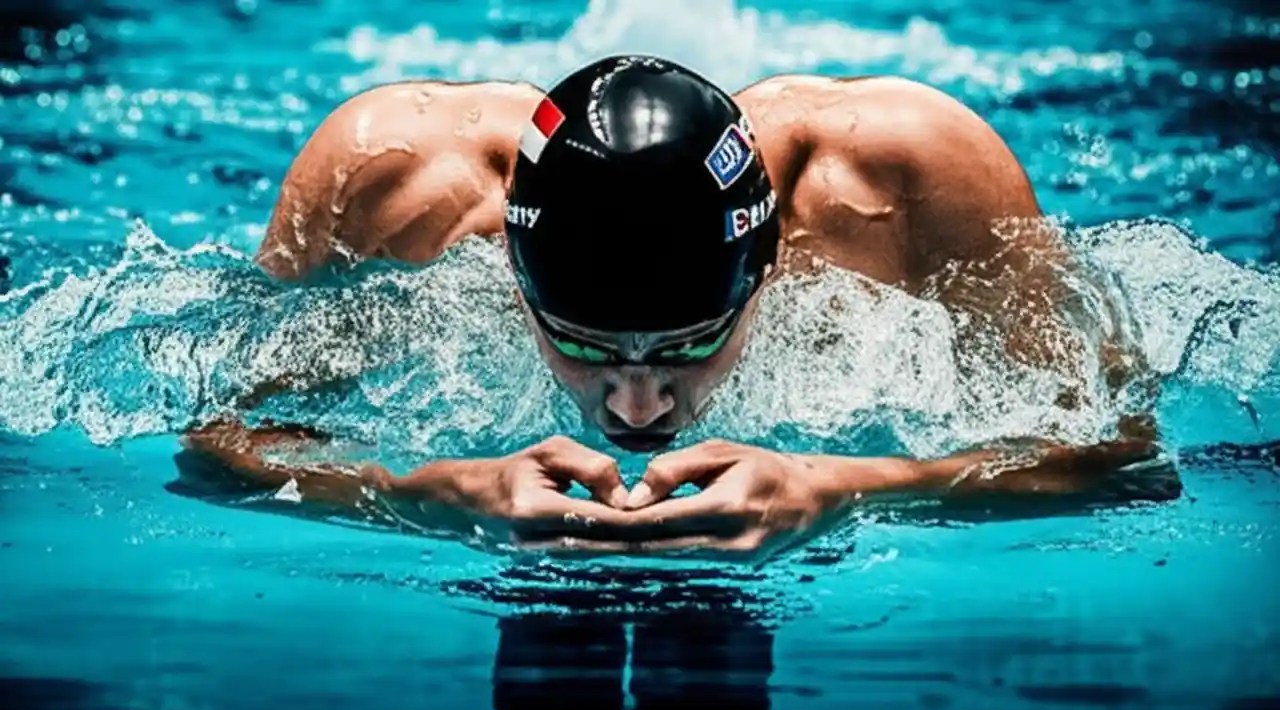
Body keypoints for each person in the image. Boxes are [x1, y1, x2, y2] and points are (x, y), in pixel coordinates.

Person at [184, 55, 1180, 558]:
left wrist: (843, 488)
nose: (633, 409)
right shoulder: (387, 179)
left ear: (771, 262)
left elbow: (1125, 455)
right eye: (577, 347)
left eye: (691, 346)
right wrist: (423, 498)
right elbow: (216, 441)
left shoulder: (914, 178)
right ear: (509, 268)